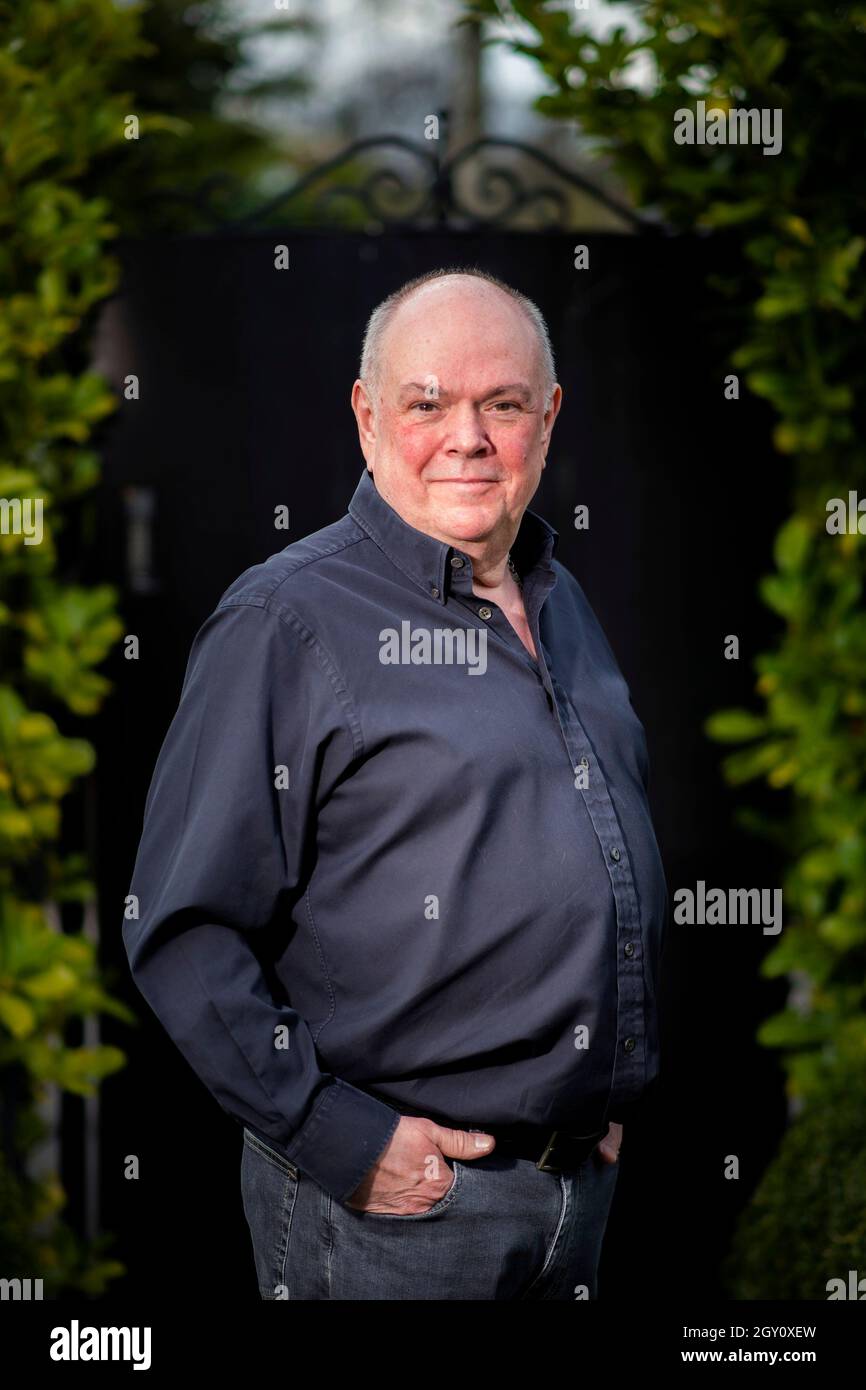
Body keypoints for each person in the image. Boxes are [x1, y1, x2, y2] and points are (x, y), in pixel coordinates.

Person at [122, 267, 668, 1300]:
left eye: (500, 404)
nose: (465, 436)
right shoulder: (284, 620)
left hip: (575, 1191)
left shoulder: (560, 600)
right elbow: (181, 928)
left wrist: (592, 1077)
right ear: (367, 416)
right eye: (426, 403)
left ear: (545, 419)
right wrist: (336, 1135)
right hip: (401, 1214)